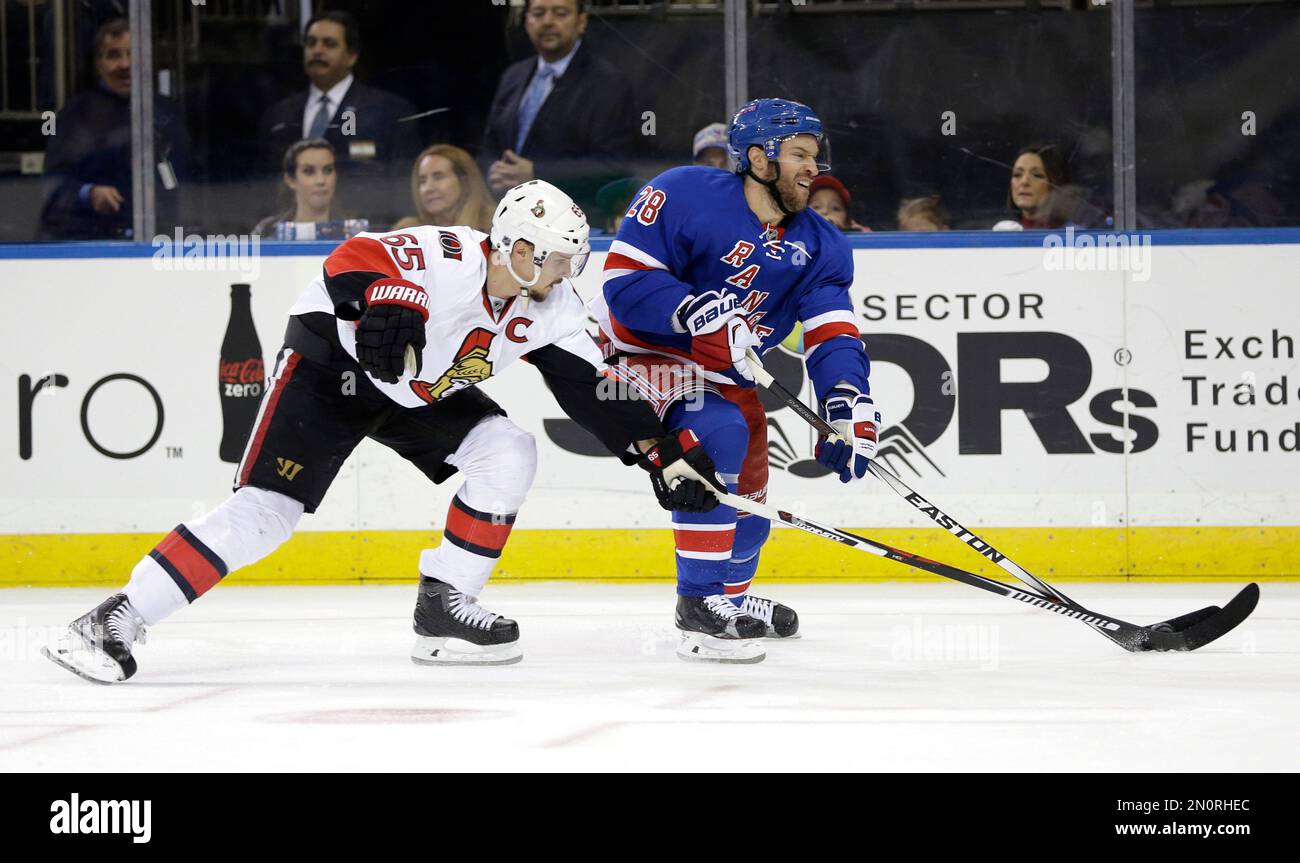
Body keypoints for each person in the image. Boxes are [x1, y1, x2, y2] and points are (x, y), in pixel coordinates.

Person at [44, 180, 724, 682]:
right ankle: (113, 617)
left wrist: (659, 449)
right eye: (554, 259)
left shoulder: (549, 308)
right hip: (331, 365)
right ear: (515, 247)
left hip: (414, 389)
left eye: (571, 262)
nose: (565, 274)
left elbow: (589, 387)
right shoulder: (451, 254)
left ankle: (444, 604)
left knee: (508, 450)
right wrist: (381, 297)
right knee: (266, 515)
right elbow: (353, 256)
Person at [592, 98, 879, 664]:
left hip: (721, 368)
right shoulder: (683, 192)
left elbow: (832, 333)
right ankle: (698, 608)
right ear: (759, 157)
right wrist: (693, 312)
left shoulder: (822, 246)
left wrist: (847, 402)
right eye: (798, 154)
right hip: (639, 350)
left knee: (751, 511)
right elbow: (624, 282)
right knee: (718, 433)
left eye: (814, 156)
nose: (811, 168)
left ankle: (730, 599)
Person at [258, 11, 421, 226]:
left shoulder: (387, 112)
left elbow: (403, 185)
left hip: (368, 235)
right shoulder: (279, 115)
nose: (317, 50)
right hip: (290, 239)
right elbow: (263, 186)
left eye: (329, 44)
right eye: (311, 43)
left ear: (352, 56)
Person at [37, 18, 190, 240]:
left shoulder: (167, 112)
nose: (125, 64)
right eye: (113, 55)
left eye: (133, 54)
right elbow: (52, 185)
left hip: (157, 241)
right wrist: (88, 194)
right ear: (98, 63)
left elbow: (184, 180)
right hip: (87, 242)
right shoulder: (76, 113)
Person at [480, 0, 635, 213]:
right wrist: (493, 172)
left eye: (560, 13)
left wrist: (538, 173)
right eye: (538, 13)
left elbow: (612, 166)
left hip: (574, 219)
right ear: (526, 21)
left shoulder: (608, 83)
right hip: (512, 216)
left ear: (581, 22)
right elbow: (490, 145)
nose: (548, 22)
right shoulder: (513, 76)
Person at [253, 139, 362, 238]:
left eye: (328, 170)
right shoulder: (266, 230)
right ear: (290, 180)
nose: (321, 180)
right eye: (309, 171)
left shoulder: (356, 233)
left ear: (336, 176)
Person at [392, 145, 495, 232]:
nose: (428, 188)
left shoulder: (496, 224)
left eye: (438, 177)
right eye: (422, 181)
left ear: (465, 181)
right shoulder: (408, 231)